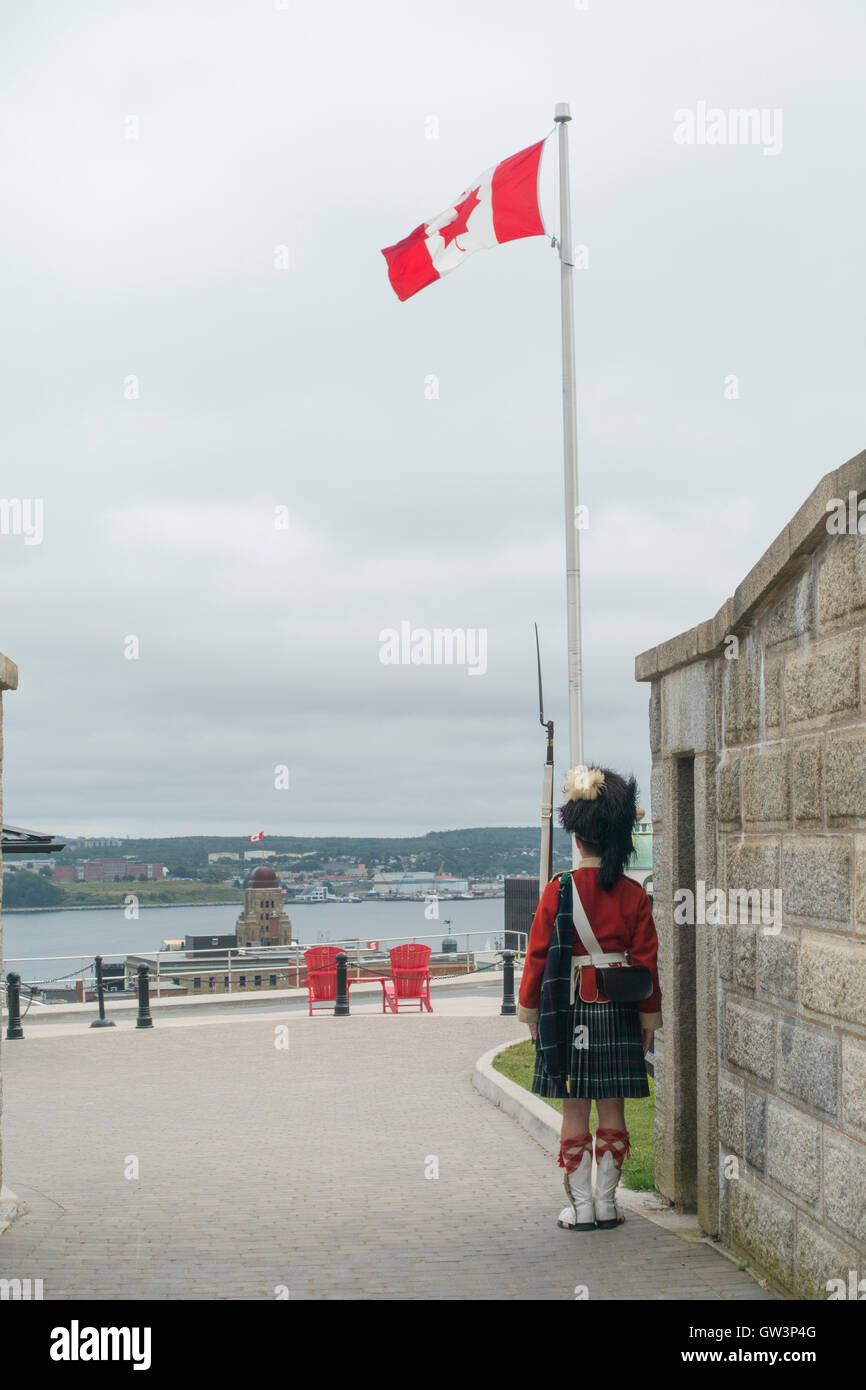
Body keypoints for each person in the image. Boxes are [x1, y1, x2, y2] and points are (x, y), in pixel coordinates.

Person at [518, 764, 662, 1232]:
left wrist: (531, 1013)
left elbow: (537, 956)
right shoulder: (634, 893)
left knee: (575, 1105)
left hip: (570, 1011)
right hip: (620, 1011)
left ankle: (580, 1210)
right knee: (613, 1106)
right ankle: (607, 1205)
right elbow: (646, 963)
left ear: (577, 837)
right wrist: (647, 1022)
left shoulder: (558, 889)